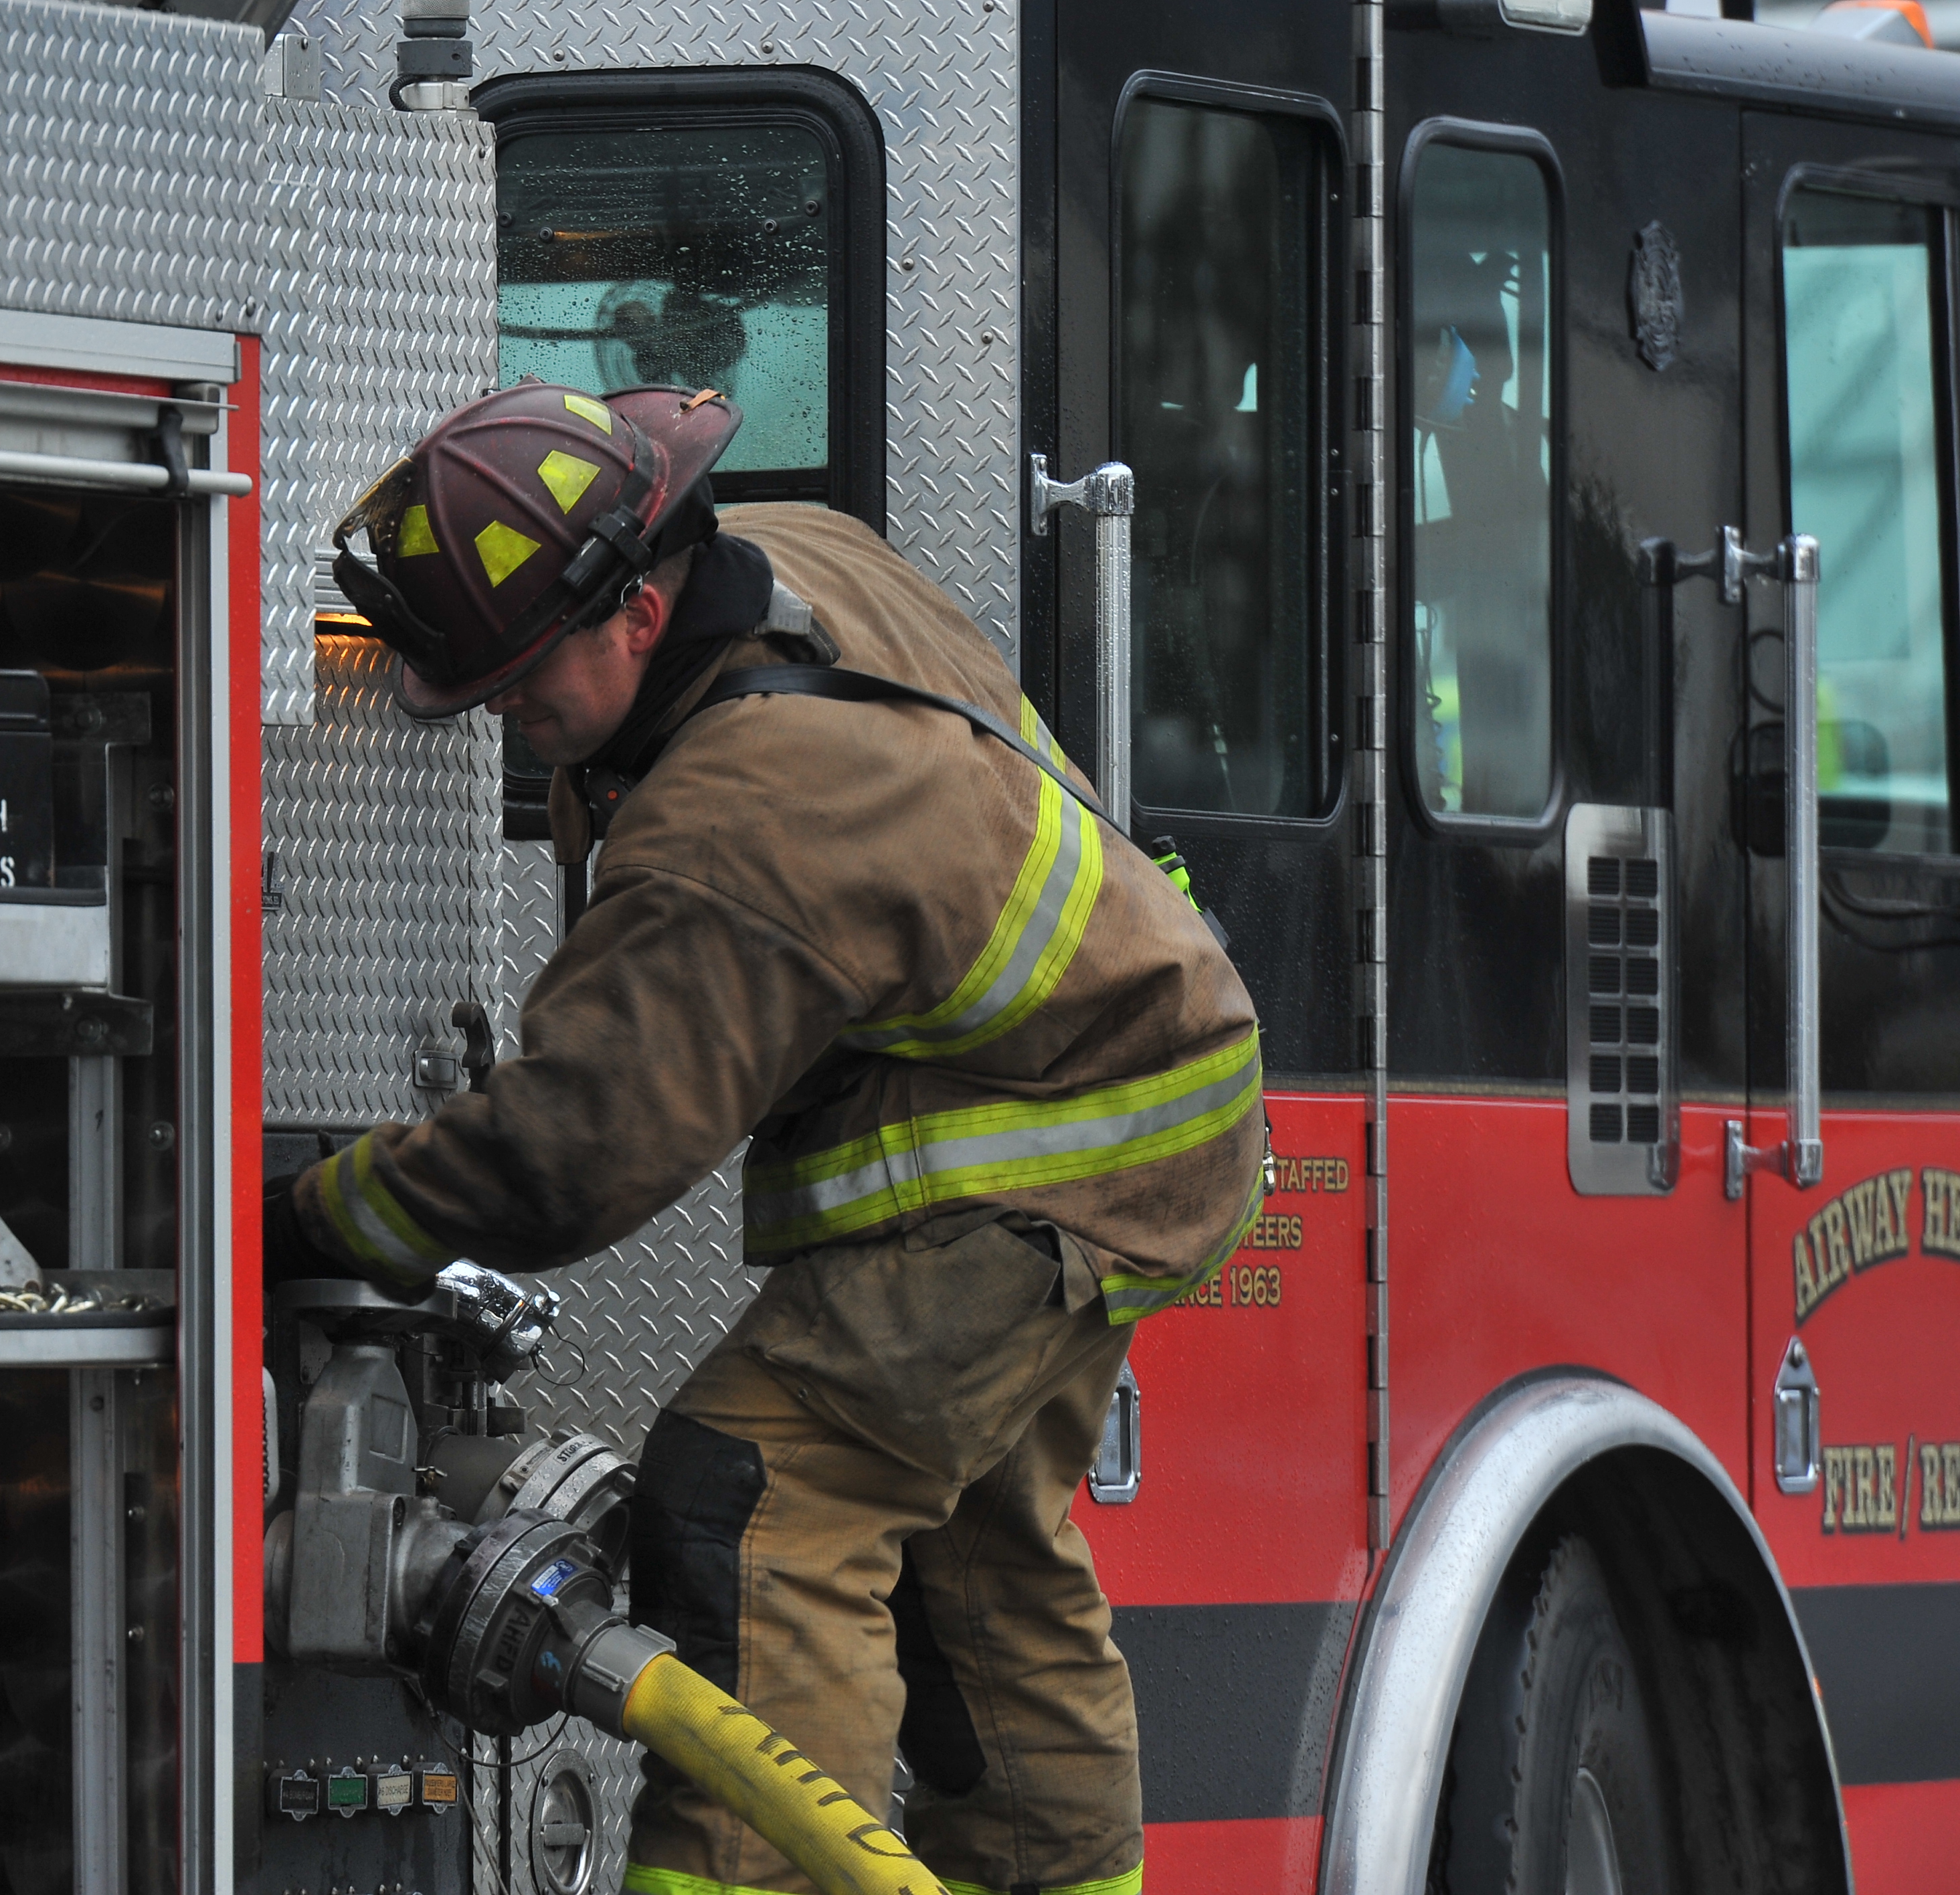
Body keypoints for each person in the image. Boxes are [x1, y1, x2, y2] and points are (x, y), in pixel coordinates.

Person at [264, 380, 1265, 1895]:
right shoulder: (794, 557)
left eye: (528, 690)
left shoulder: (739, 820)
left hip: (1052, 1152)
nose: (510, 728)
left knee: (753, 1495)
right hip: (1133, 1096)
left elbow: (567, 1155)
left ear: (637, 616)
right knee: (981, 1571)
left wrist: (307, 1218)